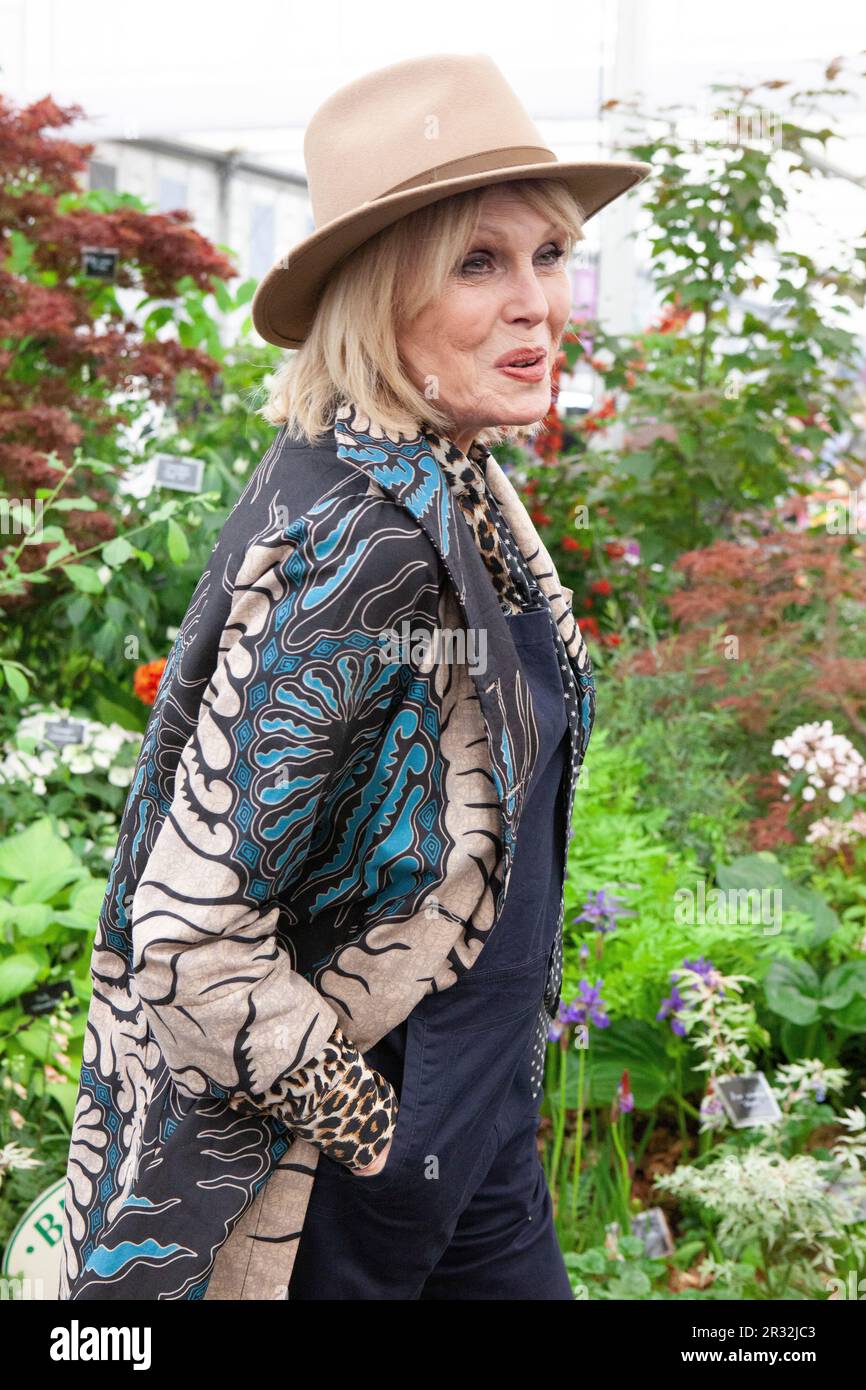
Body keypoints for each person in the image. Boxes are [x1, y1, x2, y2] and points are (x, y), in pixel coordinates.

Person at [58, 51, 649, 1302]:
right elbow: (189, 936)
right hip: (343, 1182)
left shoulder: (452, 480)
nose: (537, 304)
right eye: (477, 263)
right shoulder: (355, 540)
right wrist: (378, 1135)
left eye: (547, 254)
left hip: (475, 1133)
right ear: (380, 297)